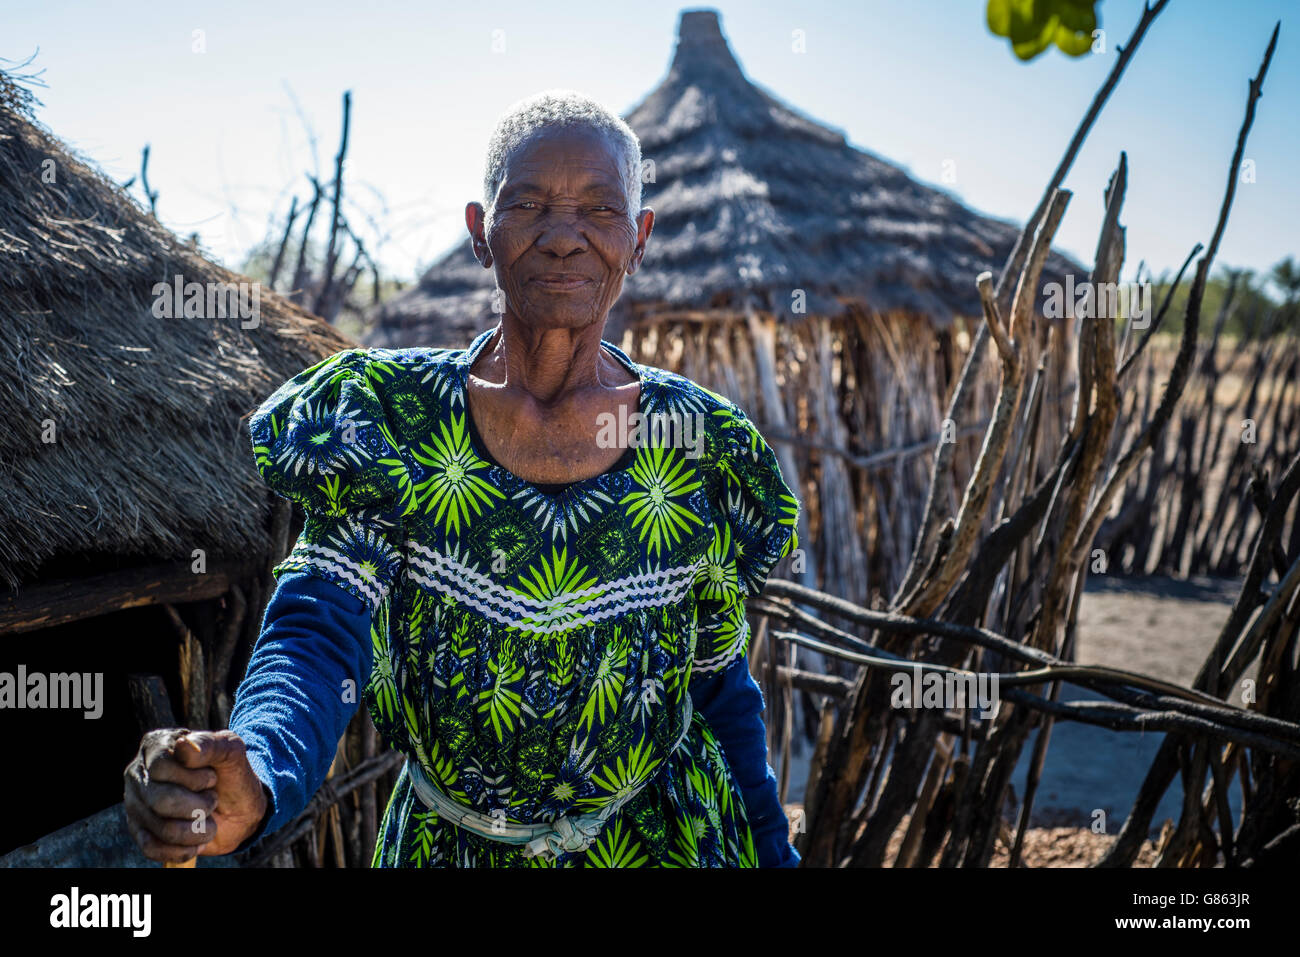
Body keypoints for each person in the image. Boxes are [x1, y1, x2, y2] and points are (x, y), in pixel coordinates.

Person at [124, 89, 801, 867]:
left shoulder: (696, 446)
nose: (563, 237)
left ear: (638, 238)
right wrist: (263, 768)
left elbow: (719, 687)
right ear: (482, 233)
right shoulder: (395, 424)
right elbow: (316, 628)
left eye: (600, 210)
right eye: (530, 204)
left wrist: (775, 856)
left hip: (667, 845)